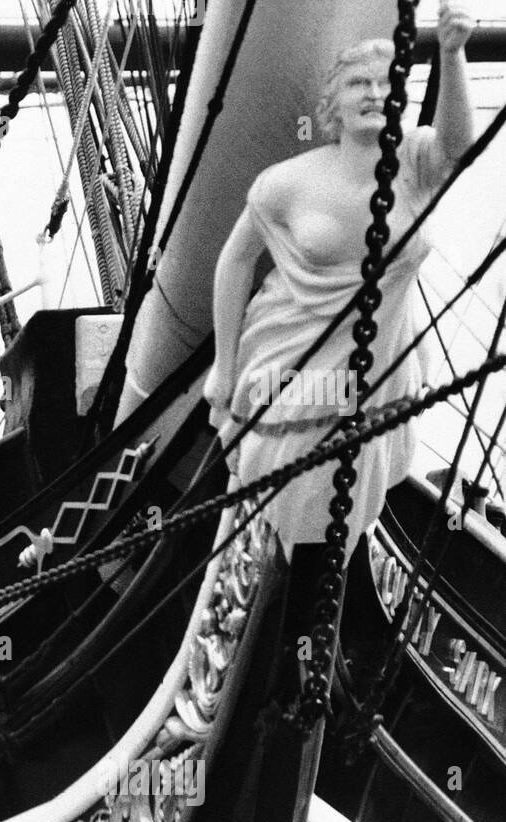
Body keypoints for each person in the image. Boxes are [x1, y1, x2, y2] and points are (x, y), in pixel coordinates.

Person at [204, 2, 476, 558]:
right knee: (272, 515)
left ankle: (314, 620)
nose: (374, 93)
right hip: (290, 368)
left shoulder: (416, 164)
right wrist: (225, 368)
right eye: (358, 83)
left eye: (385, 82)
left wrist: (452, 54)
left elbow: (457, 145)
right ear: (334, 101)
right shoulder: (287, 183)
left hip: (377, 372)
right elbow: (235, 260)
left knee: (345, 522)